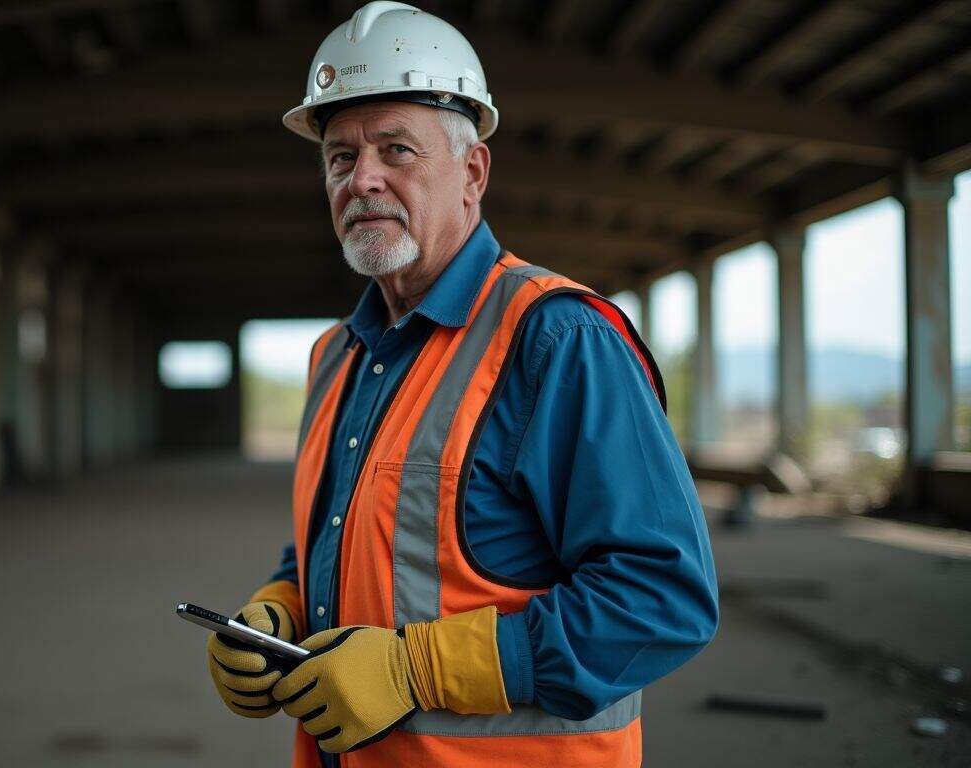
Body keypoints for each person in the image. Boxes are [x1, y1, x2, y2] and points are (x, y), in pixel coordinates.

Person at [205, 3, 719, 766]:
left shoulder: (557, 339)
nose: (363, 179)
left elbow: (662, 597)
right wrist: (279, 609)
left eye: (396, 150)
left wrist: (416, 669)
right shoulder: (334, 357)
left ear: (472, 171)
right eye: (340, 158)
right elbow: (349, 540)